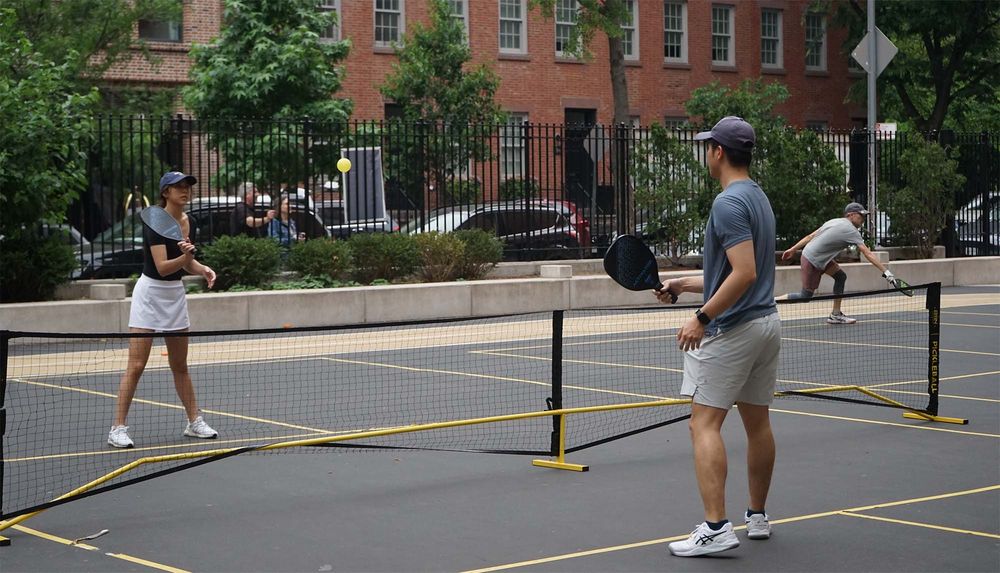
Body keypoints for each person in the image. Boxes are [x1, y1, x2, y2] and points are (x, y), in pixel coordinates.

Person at [656, 116, 780, 557]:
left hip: (735, 329)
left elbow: (743, 274)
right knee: (757, 423)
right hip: (765, 323)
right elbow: (733, 272)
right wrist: (681, 284)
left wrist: (702, 318)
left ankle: (715, 527)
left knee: (703, 423)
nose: (706, 152)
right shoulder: (758, 197)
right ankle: (757, 516)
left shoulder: (727, 203)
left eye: (708, 146)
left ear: (719, 152)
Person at [108, 171, 219, 449]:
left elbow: (186, 263)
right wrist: (186, 257)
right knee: (136, 365)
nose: (185, 190)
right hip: (150, 294)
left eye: (187, 186)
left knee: (180, 365)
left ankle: (194, 422)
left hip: (174, 295)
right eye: (178, 187)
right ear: (165, 192)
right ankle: (117, 428)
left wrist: (201, 268)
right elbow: (163, 267)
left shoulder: (189, 221)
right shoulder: (156, 222)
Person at [781, 202, 895, 324]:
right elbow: (868, 253)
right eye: (860, 215)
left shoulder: (834, 221)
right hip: (812, 260)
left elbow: (811, 236)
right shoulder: (851, 230)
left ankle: (835, 315)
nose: (863, 219)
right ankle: (771, 301)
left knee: (840, 277)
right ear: (850, 215)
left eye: (864, 216)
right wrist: (886, 272)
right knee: (805, 296)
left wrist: (793, 249)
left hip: (819, 257)